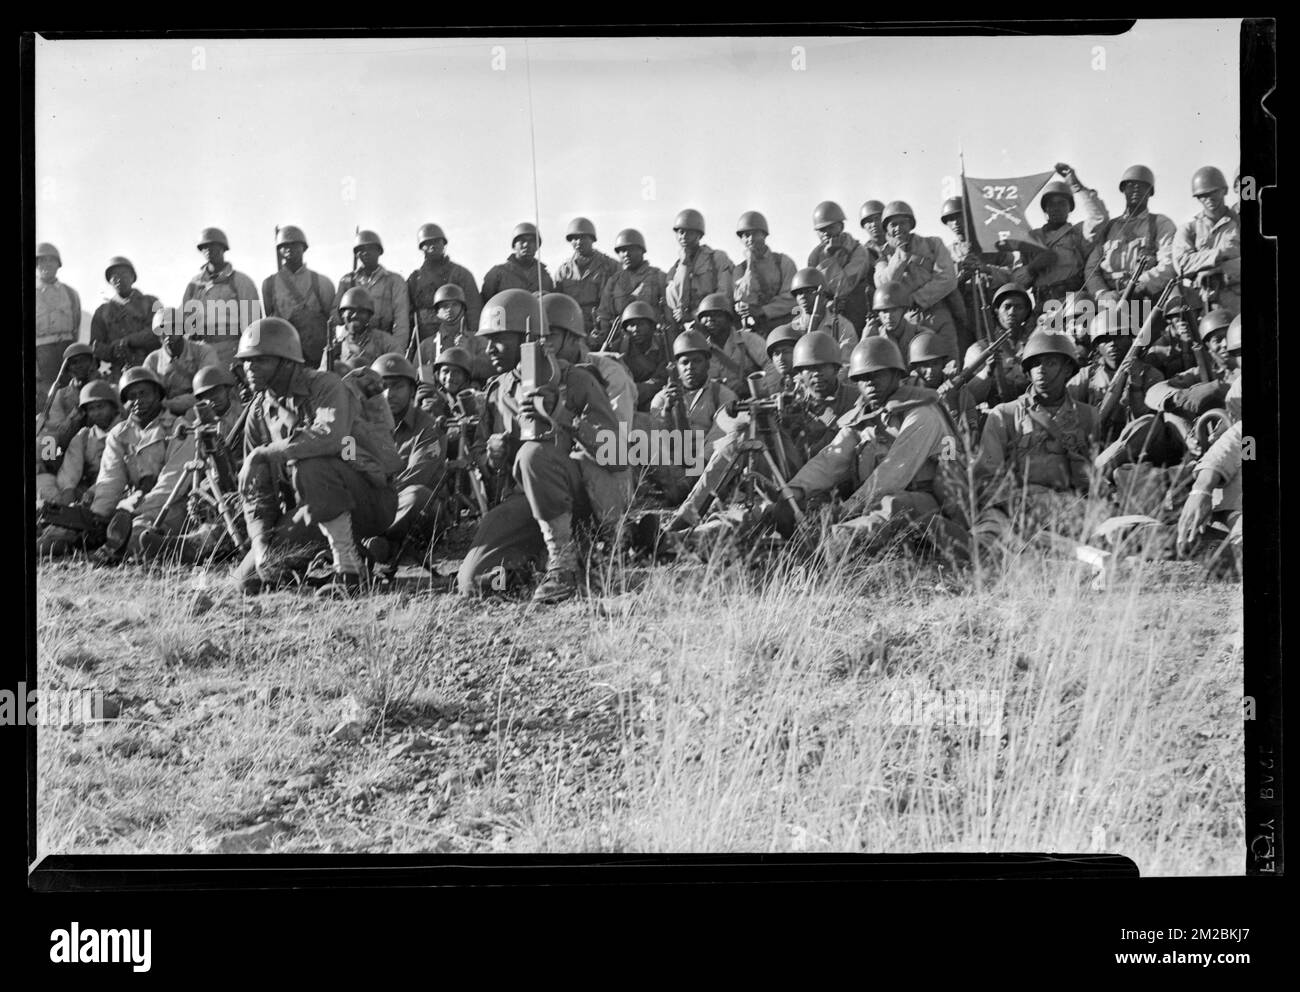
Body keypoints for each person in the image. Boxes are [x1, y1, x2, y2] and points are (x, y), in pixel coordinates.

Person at [456, 289, 624, 604]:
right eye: (488, 340)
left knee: (534, 455)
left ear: (529, 337)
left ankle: (564, 566)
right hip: (524, 503)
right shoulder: (498, 390)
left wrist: (563, 417)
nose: (490, 348)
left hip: (579, 500)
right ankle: (530, 571)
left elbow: (616, 455)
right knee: (474, 583)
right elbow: (484, 464)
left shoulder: (576, 380)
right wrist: (493, 458)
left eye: (500, 339)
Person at [235, 316, 400, 596]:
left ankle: (349, 569)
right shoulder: (259, 413)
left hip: (369, 498)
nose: (249, 368)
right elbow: (256, 492)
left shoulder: (325, 386)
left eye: (260, 360)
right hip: (312, 509)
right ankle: (349, 556)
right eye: (246, 361)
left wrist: (264, 453)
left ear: (286, 361)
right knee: (251, 579)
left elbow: (329, 437)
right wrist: (261, 542)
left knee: (311, 462)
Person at [780, 336, 957, 560]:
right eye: (862, 378)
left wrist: (846, 511)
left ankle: (832, 547)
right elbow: (829, 460)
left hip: (927, 505)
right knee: (814, 506)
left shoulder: (921, 413)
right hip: (875, 505)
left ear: (896, 375)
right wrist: (792, 491)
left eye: (877, 375)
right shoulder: (864, 417)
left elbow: (892, 474)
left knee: (891, 507)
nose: (870, 383)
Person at [130, 365, 247, 564]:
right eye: (205, 395)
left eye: (216, 391)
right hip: (210, 483)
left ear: (228, 390)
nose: (212, 399)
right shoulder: (193, 421)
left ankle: (200, 545)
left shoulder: (245, 413)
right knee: (198, 499)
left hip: (243, 479)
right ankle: (178, 543)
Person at [974, 329, 1100, 511]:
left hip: (1068, 508)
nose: (1040, 369)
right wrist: (1019, 504)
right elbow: (988, 478)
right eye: (1035, 364)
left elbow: (1092, 479)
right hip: (1016, 506)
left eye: (1050, 363)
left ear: (1067, 369)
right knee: (986, 533)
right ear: (1027, 371)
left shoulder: (1088, 416)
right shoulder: (1004, 415)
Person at [361, 354, 446, 575]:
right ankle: (382, 544)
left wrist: (373, 498)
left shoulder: (429, 427)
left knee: (417, 495)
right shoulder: (361, 424)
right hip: (374, 504)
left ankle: (365, 540)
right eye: (383, 387)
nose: (389, 394)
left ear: (412, 390)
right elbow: (349, 456)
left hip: (414, 509)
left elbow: (417, 476)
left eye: (397, 387)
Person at [87, 367, 183, 564]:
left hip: (172, 505)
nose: (138, 400)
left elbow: (173, 483)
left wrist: (134, 510)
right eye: (131, 396)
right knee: (85, 531)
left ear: (158, 395)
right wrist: (98, 516)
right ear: (124, 403)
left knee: (137, 535)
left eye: (144, 393)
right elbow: (110, 480)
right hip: (132, 504)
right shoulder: (118, 434)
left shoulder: (178, 428)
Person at [35, 381, 123, 557]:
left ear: (114, 407)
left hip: (119, 491)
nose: (96, 413)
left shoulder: (126, 431)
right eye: (91, 409)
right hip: (88, 495)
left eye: (101, 406)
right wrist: (69, 507)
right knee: (45, 485)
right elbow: (69, 472)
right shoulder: (83, 437)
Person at [1005, 164, 1109, 306]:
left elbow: (1099, 218)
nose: (1056, 208)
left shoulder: (1079, 233)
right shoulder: (1031, 238)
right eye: (1051, 204)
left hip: (1074, 303)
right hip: (1043, 305)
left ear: (1069, 208)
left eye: (1061, 204)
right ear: (1045, 209)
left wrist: (1076, 186)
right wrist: (1033, 267)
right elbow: (1015, 282)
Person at [873, 200, 960, 349]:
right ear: (886, 229)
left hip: (937, 314)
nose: (899, 228)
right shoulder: (883, 256)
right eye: (893, 225)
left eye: (903, 223)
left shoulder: (933, 244)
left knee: (949, 361)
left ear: (911, 224)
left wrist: (917, 298)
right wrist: (900, 255)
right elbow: (884, 285)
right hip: (904, 322)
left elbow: (947, 278)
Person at [1083, 165, 1177, 303]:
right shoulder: (1109, 227)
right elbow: (1092, 268)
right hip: (1109, 300)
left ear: (1150, 192)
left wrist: (1138, 287)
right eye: (1131, 185)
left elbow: (1168, 264)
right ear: (1123, 190)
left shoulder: (1160, 223)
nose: (1136, 189)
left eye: (1143, 186)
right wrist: (1102, 293)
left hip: (1144, 298)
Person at [181, 228, 262, 366]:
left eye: (213, 245)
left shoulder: (241, 281)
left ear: (223, 248)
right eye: (204, 247)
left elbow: (252, 325)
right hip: (201, 352)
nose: (208, 250)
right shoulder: (194, 285)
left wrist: (246, 358)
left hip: (231, 351)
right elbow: (184, 321)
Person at [261, 225, 336, 370]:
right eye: (284, 245)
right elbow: (271, 318)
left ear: (304, 247)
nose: (289, 248)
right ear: (279, 250)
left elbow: (331, 320)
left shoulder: (322, 282)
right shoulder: (269, 284)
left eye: (295, 244)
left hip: (316, 355)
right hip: (285, 353)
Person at [1172, 166, 1241, 319]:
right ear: (1197, 197)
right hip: (1203, 307)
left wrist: (1221, 270)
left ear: (1225, 191)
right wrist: (1220, 254)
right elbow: (1182, 264)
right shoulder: (1189, 229)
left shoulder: (1239, 224)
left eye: (1214, 192)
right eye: (1204, 194)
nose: (1209, 198)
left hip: (1237, 305)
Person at [330, 230, 411, 351]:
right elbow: (335, 316)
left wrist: (396, 352)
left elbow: (401, 321)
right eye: (361, 250)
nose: (366, 253)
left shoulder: (394, 281)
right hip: (353, 341)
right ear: (356, 255)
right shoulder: (346, 281)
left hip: (383, 343)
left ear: (379, 251)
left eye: (371, 248)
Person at [407, 222, 482, 346]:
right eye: (427, 243)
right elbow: (409, 314)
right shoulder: (414, 279)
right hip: (425, 340)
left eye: (437, 241)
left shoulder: (461, 274)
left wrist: (473, 339)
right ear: (421, 247)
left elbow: (474, 310)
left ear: (444, 244)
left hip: (458, 337)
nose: (433, 246)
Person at [807, 201, 872, 334]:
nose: (826, 233)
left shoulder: (858, 251)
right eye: (821, 230)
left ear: (841, 226)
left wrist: (829, 258)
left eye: (830, 227)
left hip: (855, 312)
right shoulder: (815, 255)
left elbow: (842, 288)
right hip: (824, 313)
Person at [664, 209, 734, 332]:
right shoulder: (674, 269)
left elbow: (725, 294)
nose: (683, 236)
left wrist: (694, 315)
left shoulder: (717, 258)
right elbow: (675, 304)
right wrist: (684, 265)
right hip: (689, 329)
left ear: (699, 235)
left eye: (689, 233)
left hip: (716, 323)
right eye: (680, 232)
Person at [143, 306, 220, 416]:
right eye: (162, 328)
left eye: (173, 327)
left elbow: (208, 392)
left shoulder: (203, 351)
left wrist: (167, 405)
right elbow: (147, 398)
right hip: (165, 414)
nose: (168, 332)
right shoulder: (152, 361)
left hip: (201, 409)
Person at [90, 256, 160, 377]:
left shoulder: (151, 302)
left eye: (124, 274)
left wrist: (127, 341)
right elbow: (96, 346)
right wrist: (113, 350)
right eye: (114, 276)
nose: (119, 279)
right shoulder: (102, 312)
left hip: (152, 365)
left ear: (133, 277)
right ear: (110, 281)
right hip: (119, 370)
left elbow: (158, 332)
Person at [595, 228, 668, 343]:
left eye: (631, 249)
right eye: (622, 251)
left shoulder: (658, 277)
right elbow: (604, 314)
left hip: (653, 340)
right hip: (621, 340)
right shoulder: (614, 281)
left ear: (642, 251)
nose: (626, 254)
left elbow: (668, 313)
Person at [732, 210, 797, 339]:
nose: (750, 239)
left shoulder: (783, 262)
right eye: (746, 235)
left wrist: (764, 310)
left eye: (755, 233)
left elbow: (791, 298)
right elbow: (742, 300)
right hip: (754, 329)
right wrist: (750, 264)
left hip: (784, 326)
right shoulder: (740, 270)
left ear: (764, 235)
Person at [690, 293, 769, 398]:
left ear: (729, 318)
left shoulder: (749, 339)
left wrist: (765, 393)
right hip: (719, 405)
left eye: (717, 314)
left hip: (753, 401)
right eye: (705, 316)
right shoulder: (700, 351)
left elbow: (771, 365)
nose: (710, 319)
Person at [554, 218, 620, 338]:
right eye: (574, 238)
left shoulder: (610, 266)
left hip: (602, 327)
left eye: (583, 237)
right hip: (572, 328)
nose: (578, 242)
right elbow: (557, 303)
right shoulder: (563, 271)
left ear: (592, 239)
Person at [414, 284, 493, 383]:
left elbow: (490, 370)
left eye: (455, 304)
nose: (450, 309)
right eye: (445, 306)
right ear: (437, 312)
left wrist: (469, 355)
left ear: (463, 309)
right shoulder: (426, 346)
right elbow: (414, 377)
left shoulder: (479, 340)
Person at [35, 243, 82, 406]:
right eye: (42, 261)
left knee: (69, 398)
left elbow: (76, 327)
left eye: (51, 261)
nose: (47, 264)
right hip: (41, 355)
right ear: (36, 264)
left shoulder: (70, 293)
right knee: (44, 402)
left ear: (58, 265)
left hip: (66, 351)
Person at [789, 267, 859, 369]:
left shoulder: (842, 325)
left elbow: (846, 364)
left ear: (823, 295)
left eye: (809, 291)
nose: (803, 296)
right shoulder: (794, 327)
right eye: (799, 293)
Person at [321, 287, 396, 374]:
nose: (355, 316)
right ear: (342, 314)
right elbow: (322, 376)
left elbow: (397, 370)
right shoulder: (335, 345)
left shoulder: (384, 341)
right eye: (350, 311)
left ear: (369, 316)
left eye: (361, 312)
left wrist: (365, 357)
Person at [480, 223, 555, 300]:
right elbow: (484, 305)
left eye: (531, 241)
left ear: (537, 246)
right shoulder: (497, 273)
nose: (526, 244)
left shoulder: (545, 277)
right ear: (514, 245)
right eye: (522, 241)